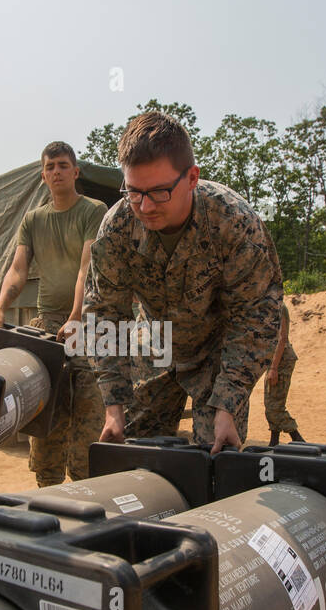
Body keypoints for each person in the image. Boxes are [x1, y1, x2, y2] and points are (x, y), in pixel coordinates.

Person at [84, 112, 282, 453]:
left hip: (216, 354)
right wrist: (113, 405)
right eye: (133, 192)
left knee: (216, 459)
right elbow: (103, 314)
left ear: (192, 178)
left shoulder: (234, 222)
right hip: (155, 345)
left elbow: (255, 316)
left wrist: (228, 403)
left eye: (159, 192)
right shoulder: (117, 227)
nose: (144, 207)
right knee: (138, 455)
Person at [0, 142, 106, 486]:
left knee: (88, 423)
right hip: (48, 328)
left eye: (63, 165)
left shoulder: (92, 211)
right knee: (47, 420)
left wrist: (75, 317)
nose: (56, 171)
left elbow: (88, 268)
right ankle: (48, 495)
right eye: (50, 166)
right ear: (43, 175)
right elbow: (18, 268)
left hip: (90, 327)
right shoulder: (33, 219)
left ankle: (86, 495)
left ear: (75, 172)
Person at [265, 303, 305, 447]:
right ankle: (274, 441)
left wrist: (274, 368)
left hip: (281, 360)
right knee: (270, 402)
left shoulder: (278, 306)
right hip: (274, 360)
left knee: (274, 406)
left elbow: (282, 338)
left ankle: (297, 438)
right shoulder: (268, 304)